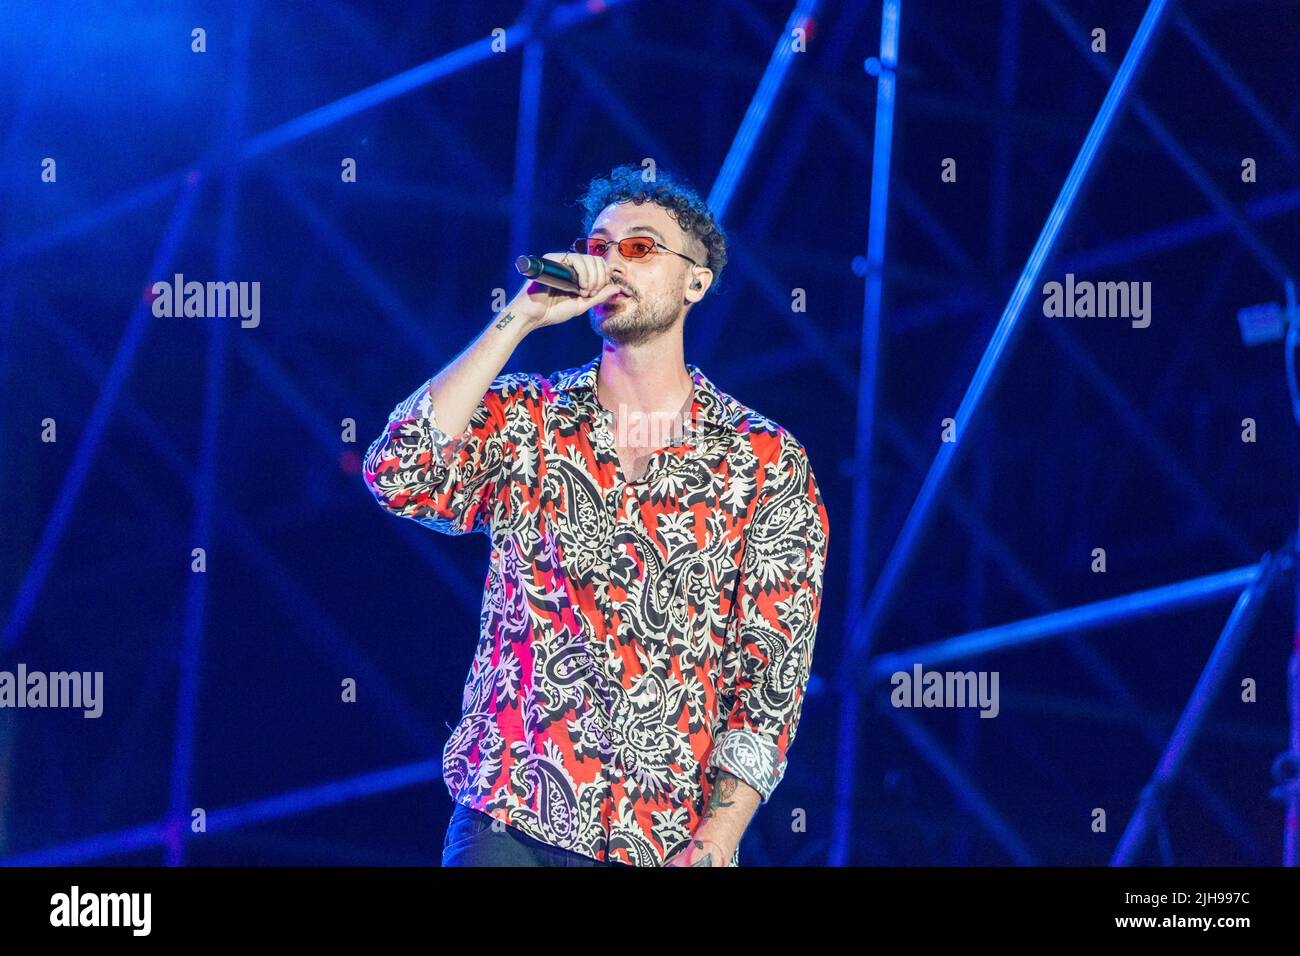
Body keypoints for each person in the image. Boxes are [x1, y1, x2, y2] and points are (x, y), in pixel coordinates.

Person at [363, 164, 830, 867]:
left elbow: (771, 679)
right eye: (601, 243)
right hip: (510, 812)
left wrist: (719, 838)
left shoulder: (765, 462)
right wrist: (517, 318)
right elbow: (399, 473)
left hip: (659, 837)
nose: (613, 261)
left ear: (695, 281)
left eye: (641, 247)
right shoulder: (530, 418)